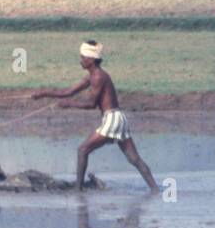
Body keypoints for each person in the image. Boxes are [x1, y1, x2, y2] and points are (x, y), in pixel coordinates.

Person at [32, 41, 159, 192]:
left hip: (112, 119)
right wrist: (43, 94)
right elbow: (68, 92)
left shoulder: (98, 77)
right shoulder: (91, 76)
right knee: (134, 159)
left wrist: (69, 104)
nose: (80, 60)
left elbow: (91, 104)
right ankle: (155, 190)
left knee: (82, 150)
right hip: (118, 118)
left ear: (91, 60)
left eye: (83, 57)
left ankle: (78, 190)